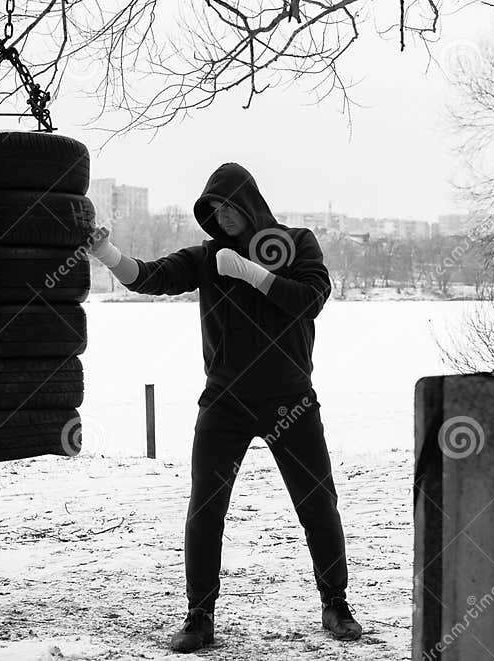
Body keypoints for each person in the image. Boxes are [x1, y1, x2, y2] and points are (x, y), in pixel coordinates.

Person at [87, 162, 361, 653]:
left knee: (318, 504)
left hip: (290, 402)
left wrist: (253, 274)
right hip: (225, 404)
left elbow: (311, 299)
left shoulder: (297, 242)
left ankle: (335, 605)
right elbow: (148, 277)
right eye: (213, 209)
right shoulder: (208, 257)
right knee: (206, 511)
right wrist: (105, 252)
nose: (222, 216)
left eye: (228, 206)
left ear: (249, 201)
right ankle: (199, 618)